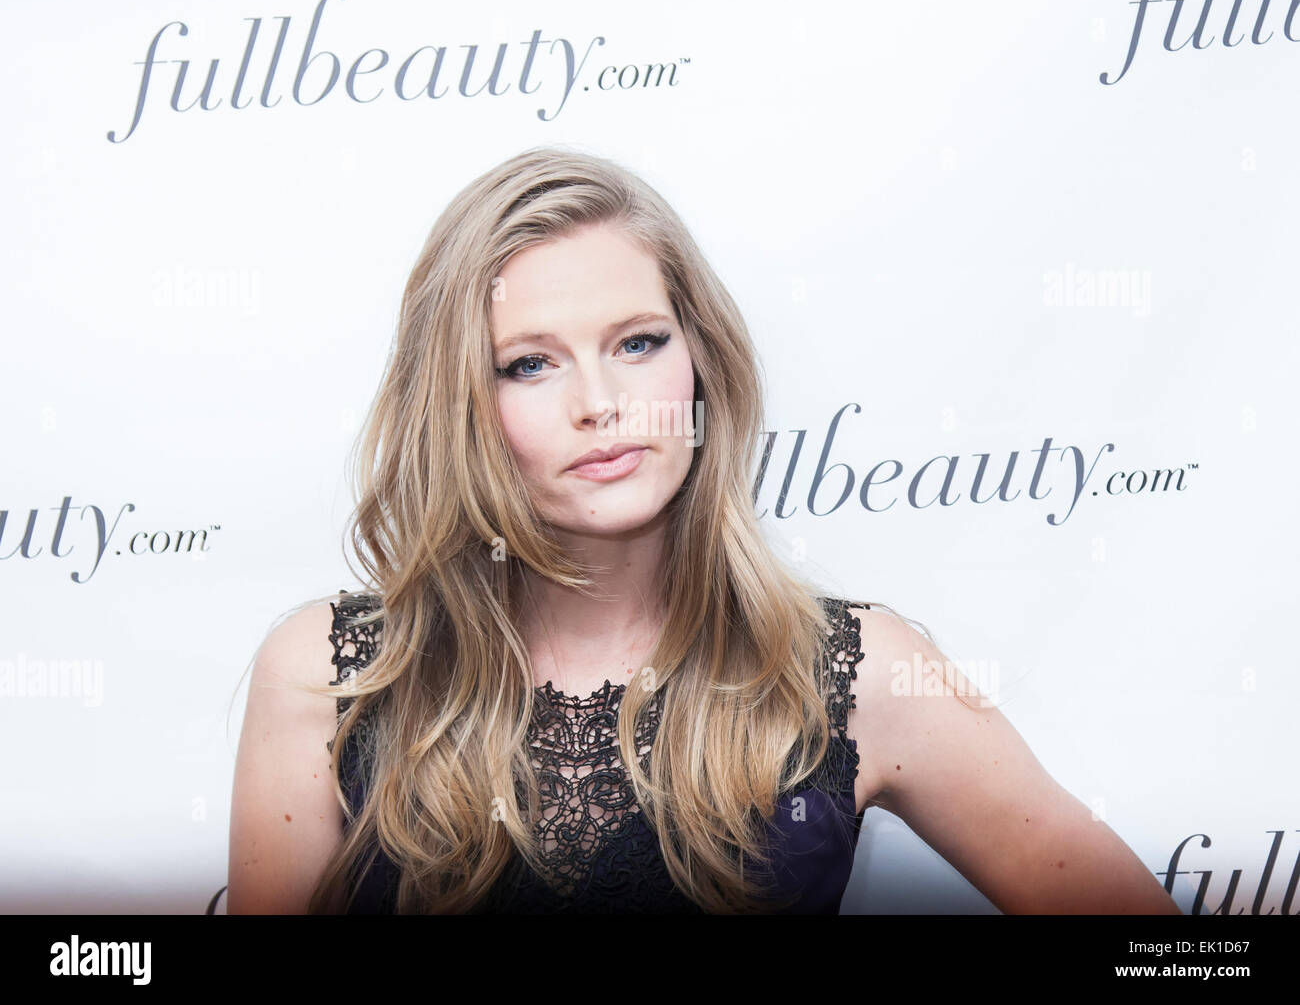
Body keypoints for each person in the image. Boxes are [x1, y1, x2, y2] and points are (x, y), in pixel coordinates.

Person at [226, 146, 1181, 915]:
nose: (602, 403)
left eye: (637, 342)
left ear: (701, 361)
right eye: (529, 364)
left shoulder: (859, 673)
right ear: (460, 404)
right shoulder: (327, 674)